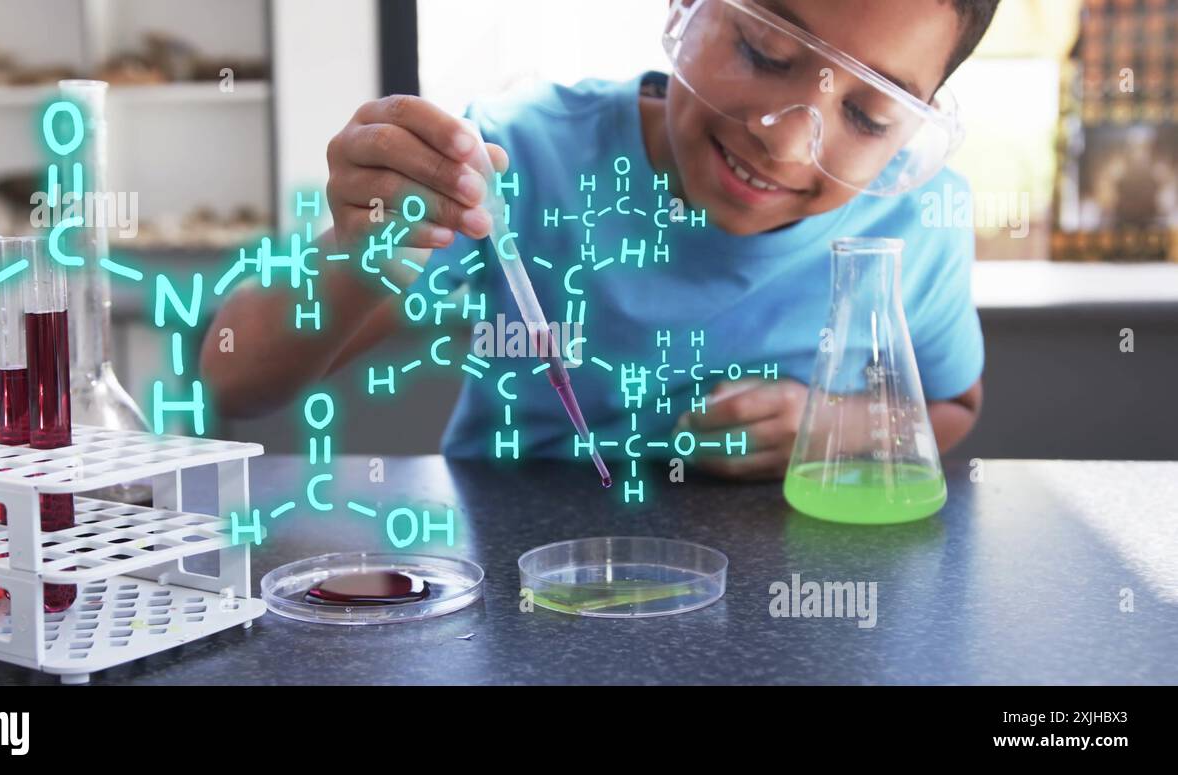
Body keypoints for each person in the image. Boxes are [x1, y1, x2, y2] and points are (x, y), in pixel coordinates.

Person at [203, 0, 998, 480]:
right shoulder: (525, 157)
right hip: (527, 588)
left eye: (869, 114)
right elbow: (235, 377)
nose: (785, 144)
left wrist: (838, 425)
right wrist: (364, 247)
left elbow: (952, 405)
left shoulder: (916, 222)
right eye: (763, 50)